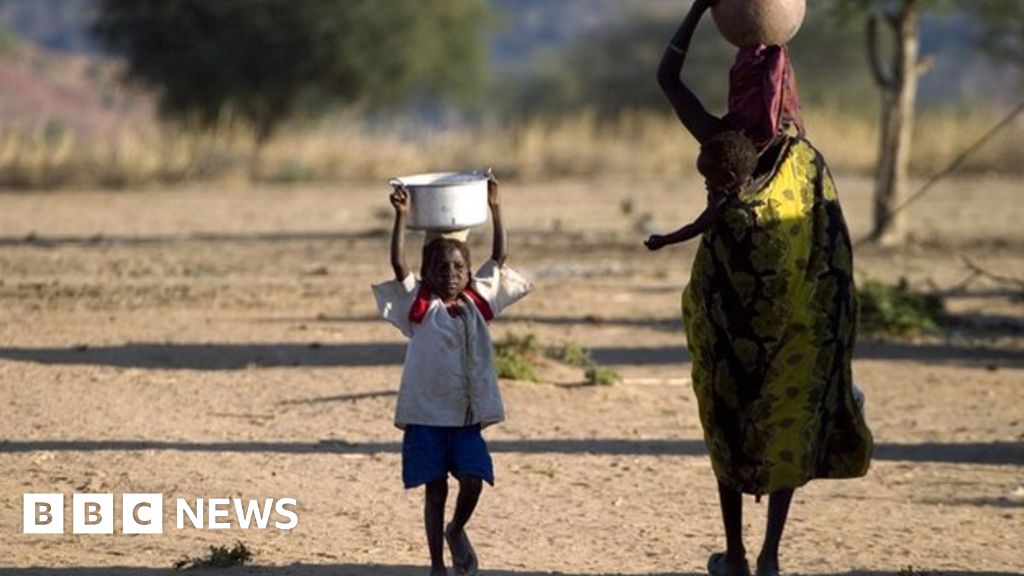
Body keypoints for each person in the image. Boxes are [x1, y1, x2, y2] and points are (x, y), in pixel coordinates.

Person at [655, 2, 873, 576]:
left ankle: (736, 554)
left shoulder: (719, 144)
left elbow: (668, 78)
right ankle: (770, 554)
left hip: (729, 336)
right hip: (795, 335)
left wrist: (698, 10)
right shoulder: (802, 164)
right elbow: (832, 257)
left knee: (727, 429)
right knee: (786, 426)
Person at [372, 173, 532, 576]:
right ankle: (436, 565)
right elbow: (398, 264)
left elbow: (499, 258)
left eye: (459, 267)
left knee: (474, 479)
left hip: (464, 417)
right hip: (428, 416)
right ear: (426, 272)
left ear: (469, 272)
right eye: (440, 268)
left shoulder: (477, 302)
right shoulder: (419, 307)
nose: (450, 274)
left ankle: (456, 529)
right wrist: (402, 216)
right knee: (436, 490)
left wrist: (495, 207)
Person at [645, 129, 759, 251]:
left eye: (709, 178)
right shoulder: (760, 185)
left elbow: (696, 227)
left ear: (729, 179)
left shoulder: (721, 201)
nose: (705, 182)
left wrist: (665, 240)